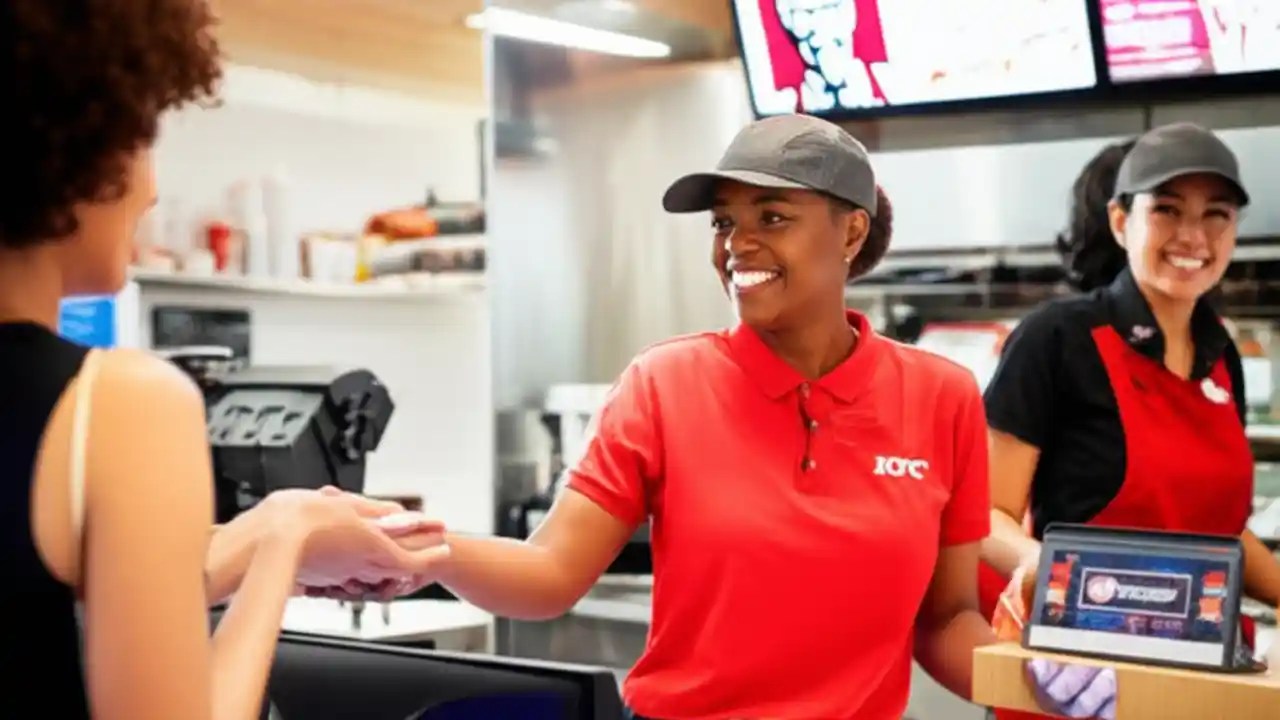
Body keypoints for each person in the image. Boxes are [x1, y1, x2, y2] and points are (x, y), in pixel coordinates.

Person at [373, 114, 1114, 719]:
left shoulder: (941, 396)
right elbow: (550, 573)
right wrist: (427, 554)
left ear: (850, 234)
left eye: (773, 216)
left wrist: (1035, 677)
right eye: (723, 222)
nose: (737, 245)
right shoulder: (664, 382)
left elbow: (945, 620)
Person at [0, 3, 450, 719]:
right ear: (80, 146)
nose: (152, 187)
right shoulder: (117, 402)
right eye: (147, 133)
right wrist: (283, 543)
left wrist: (281, 522)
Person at [980, 123, 1280, 720]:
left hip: (1208, 674)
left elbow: (1219, 530)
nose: (1192, 236)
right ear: (1122, 221)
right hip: (1083, 674)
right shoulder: (1058, 338)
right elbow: (983, 515)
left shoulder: (1223, 356)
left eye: (1216, 214)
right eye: (1166, 210)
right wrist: (1052, 570)